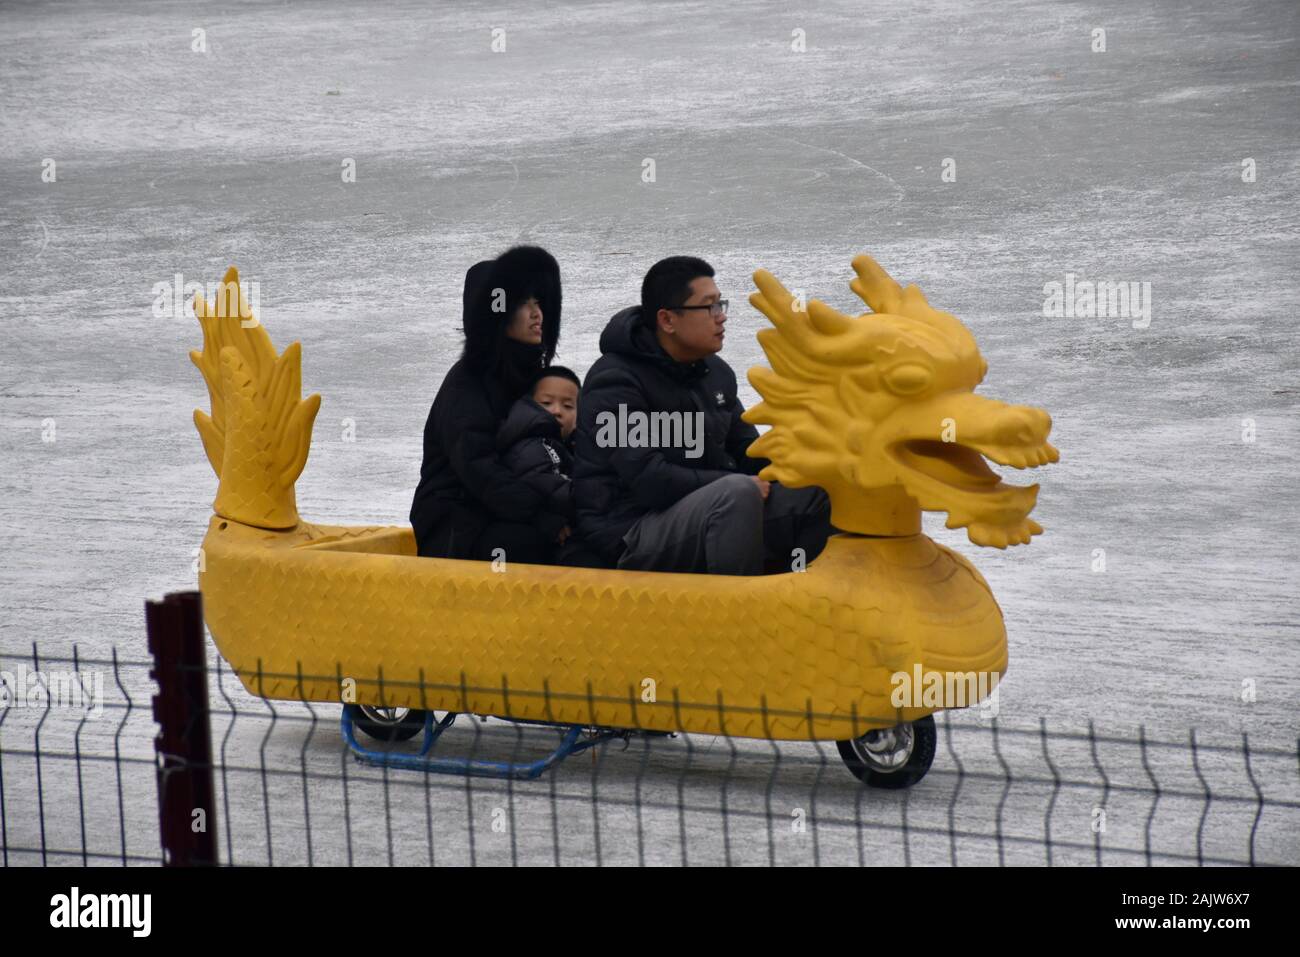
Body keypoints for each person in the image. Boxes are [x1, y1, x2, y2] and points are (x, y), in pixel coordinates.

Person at [572, 256, 833, 575]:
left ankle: (806, 601)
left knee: (817, 491)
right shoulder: (614, 380)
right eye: (708, 306)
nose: (721, 317)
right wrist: (737, 482)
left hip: (709, 510)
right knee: (737, 494)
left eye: (721, 304)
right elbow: (648, 480)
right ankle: (738, 615)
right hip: (629, 530)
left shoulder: (714, 372)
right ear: (667, 320)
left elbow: (748, 451)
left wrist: (804, 465)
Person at [410, 245, 570, 563]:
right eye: (523, 303)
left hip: (501, 515)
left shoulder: (532, 377)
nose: (538, 314)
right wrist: (545, 516)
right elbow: (481, 472)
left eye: (539, 302)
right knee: (538, 544)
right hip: (457, 530)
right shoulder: (466, 386)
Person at [496, 366, 609, 567]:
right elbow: (552, 488)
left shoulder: (573, 447)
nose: (557, 411)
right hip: (549, 541)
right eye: (546, 403)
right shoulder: (533, 444)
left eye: (568, 406)